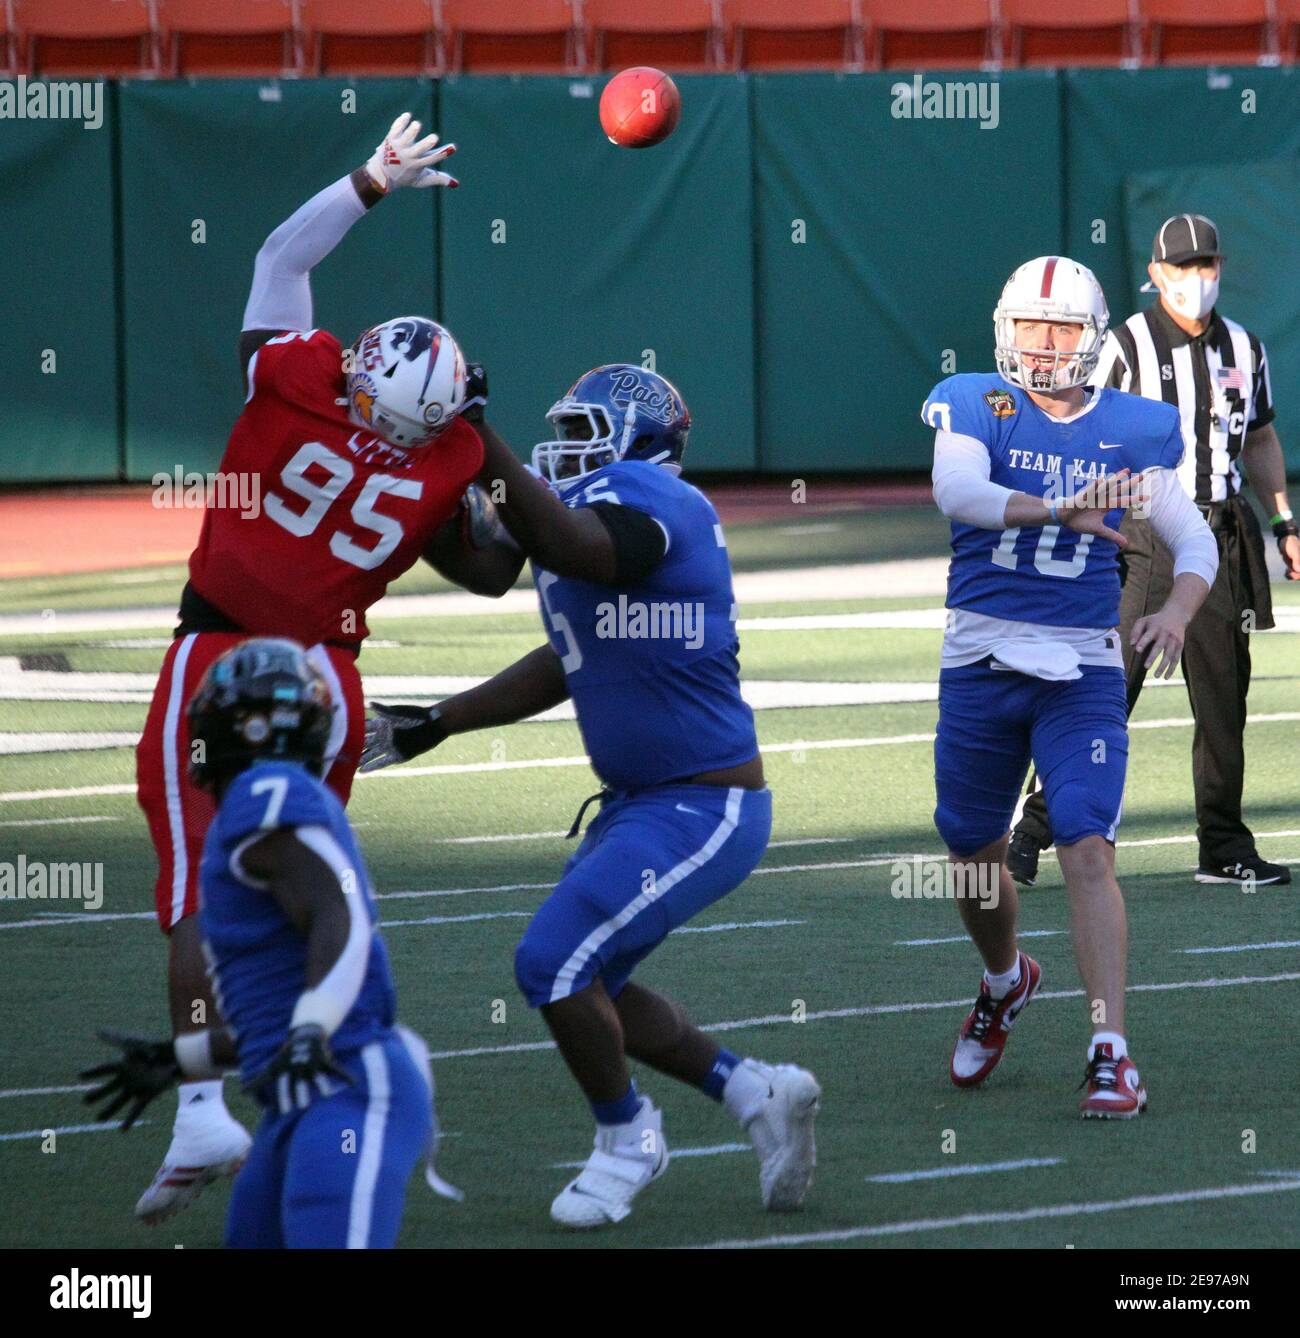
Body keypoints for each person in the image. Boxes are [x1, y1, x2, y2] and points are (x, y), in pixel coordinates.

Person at [132, 113, 523, 1224]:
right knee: (304, 890)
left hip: (224, 657)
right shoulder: (446, 457)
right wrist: (492, 458)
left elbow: (277, 259)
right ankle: (317, 1079)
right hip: (330, 696)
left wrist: (372, 179)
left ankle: (204, 1103)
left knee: (204, 887)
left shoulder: (303, 376)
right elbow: (494, 569)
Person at [361, 364, 821, 1226]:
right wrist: (418, 472)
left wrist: (472, 438)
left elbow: (578, 550)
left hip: (702, 805)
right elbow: (531, 612)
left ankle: (627, 1137)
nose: (562, 450)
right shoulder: (591, 514)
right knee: (592, 981)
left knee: (550, 962)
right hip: (644, 804)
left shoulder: (656, 499)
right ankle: (755, 1093)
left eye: (581, 432)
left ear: (639, 440)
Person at [923, 256, 1219, 1117]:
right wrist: (1060, 508)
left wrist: (1178, 614)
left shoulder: (1131, 428)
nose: (1042, 346)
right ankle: (1006, 979)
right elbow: (959, 492)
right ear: (1002, 329)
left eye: (1059, 331)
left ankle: (1109, 1049)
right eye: (1028, 327)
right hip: (981, 657)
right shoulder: (981, 402)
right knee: (971, 856)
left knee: (1086, 844)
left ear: (1090, 341)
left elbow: (1194, 543)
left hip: (1082, 666)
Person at [85, 638, 456, 1248]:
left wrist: (312, 1030)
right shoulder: (262, 809)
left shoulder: (265, 797)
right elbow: (274, 1013)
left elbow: (340, 920)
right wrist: (184, 1059)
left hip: (347, 1088)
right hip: (298, 1098)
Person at [1007, 215, 1298, 889]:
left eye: (1208, 265)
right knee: (1105, 688)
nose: (1198, 278)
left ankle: (1223, 844)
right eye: (1185, 266)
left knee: (1225, 699)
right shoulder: (1126, 345)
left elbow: (1259, 437)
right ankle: (1030, 831)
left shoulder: (1247, 348)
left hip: (1222, 532)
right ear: (1157, 272)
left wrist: (1284, 520)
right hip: (1145, 532)